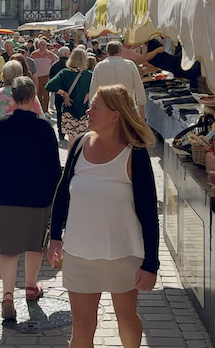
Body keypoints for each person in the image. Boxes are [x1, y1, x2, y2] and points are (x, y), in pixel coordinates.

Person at [46, 84, 160, 348]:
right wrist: (54, 237)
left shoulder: (135, 154)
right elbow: (63, 192)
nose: (88, 111)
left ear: (115, 115)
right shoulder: (79, 146)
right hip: (78, 254)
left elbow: (148, 212)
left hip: (122, 254)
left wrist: (151, 263)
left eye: (95, 107)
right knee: (82, 328)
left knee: (126, 319)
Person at [0, 76, 61, 321]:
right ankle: (30, 286)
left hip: (6, 192)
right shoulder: (44, 126)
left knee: (7, 249)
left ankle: (7, 295)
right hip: (38, 194)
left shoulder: (1, 124)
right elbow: (54, 167)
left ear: (14, 97)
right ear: (33, 96)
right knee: (34, 244)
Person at [46, 48, 93, 150]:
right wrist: (89, 93)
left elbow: (49, 86)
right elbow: (99, 88)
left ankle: (70, 163)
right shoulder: (89, 75)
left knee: (71, 141)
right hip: (84, 111)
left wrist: (64, 93)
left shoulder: (64, 73)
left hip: (69, 110)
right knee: (84, 141)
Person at [90, 41, 148, 118]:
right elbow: (138, 86)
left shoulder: (99, 66)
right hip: (127, 107)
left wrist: (92, 107)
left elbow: (93, 88)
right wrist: (141, 106)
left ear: (107, 52)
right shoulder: (129, 65)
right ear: (120, 51)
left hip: (107, 107)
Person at [0, 61, 44, 128]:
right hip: (27, 133)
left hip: (2, 133)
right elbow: (40, 116)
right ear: (21, 74)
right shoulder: (28, 93)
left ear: (3, 75)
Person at [31, 38, 59, 112]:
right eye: (41, 44)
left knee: (46, 94)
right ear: (38, 45)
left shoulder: (50, 54)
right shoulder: (34, 54)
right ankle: (40, 109)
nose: (43, 46)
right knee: (38, 93)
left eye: (44, 44)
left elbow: (56, 62)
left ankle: (46, 110)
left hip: (46, 76)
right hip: (37, 77)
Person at [50, 47, 71, 140]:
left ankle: (60, 133)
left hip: (59, 93)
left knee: (59, 113)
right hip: (70, 93)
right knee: (69, 113)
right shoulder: (71, 65)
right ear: (66, 54)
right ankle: (70, 131)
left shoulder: (54, 65)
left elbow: (51, 80)